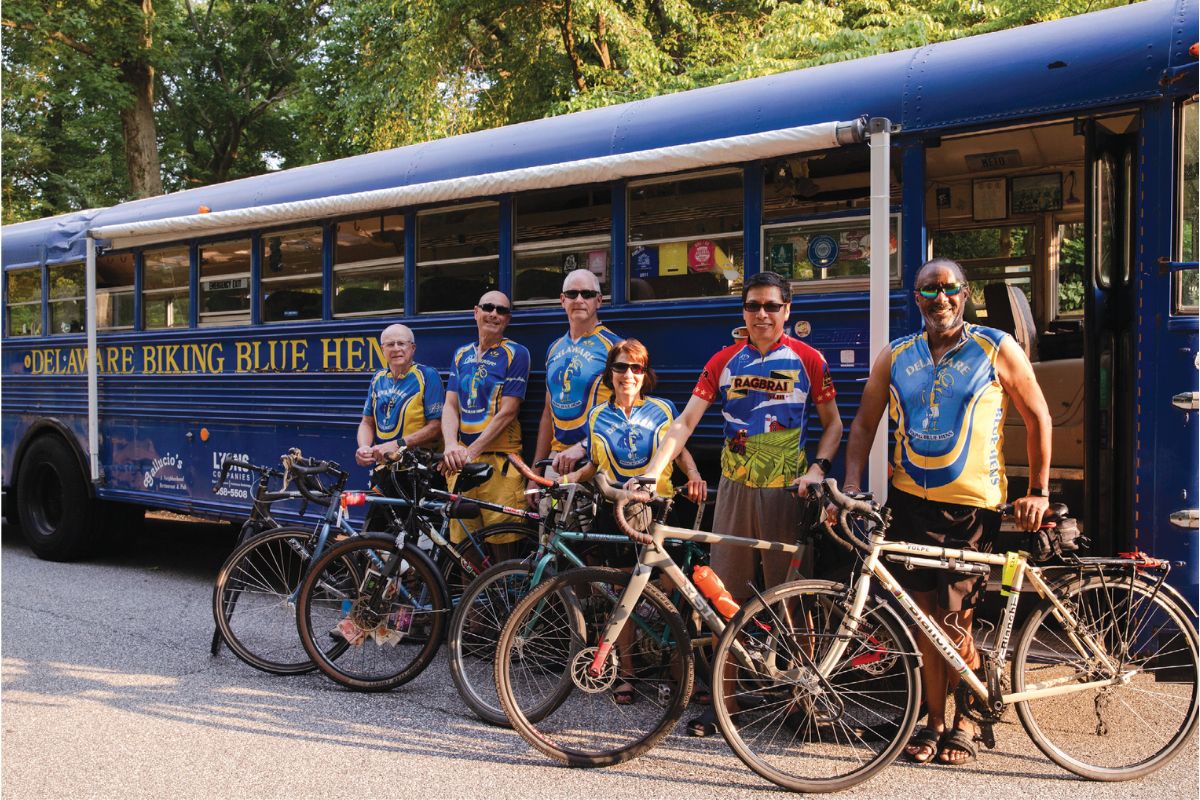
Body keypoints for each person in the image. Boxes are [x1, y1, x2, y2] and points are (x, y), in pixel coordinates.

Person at [842, 257, 1051, 767]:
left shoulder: (996, 346)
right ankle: (934, 721)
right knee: (924, 623)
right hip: (910, 503)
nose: (941, 298)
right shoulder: (896, 355)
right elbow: (864, 423)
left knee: (956, 622)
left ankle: (969, 715)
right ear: (916, 298)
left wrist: (1038, 490)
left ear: (964, 293)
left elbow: (1038, 416)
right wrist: (850, 485)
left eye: (949, 288)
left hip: (971, 508)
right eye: (930, 290)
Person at [637, 271, 843, 735]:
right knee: (722, 598)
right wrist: (653, 470)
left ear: (787, 310)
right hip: (734, 489)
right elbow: (685, 421)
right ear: (743, 311)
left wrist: (818, 469)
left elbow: (833, 424)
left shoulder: (809, 359)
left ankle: (802, 699)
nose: (762, 314)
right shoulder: (724, 360)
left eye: (772, 306)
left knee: (793, 602)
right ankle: (724, 702)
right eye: (753, 306)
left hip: (788, 493)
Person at [558, 338, 706, 705]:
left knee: (675, 594)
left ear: (645, 374)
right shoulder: (596, 415)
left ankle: (680, 672)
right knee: (620, 595)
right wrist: (566, 479)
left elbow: (679, 449)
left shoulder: (663, 409)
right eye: (621, 367)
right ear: (610, 372)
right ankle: (627, 672)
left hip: (659, 510)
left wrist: (694, 474)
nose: (628, 374)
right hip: (616, 511)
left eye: (636, 368)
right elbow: (595, 464)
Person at [439, 291, 532, 558]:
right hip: (462, 464)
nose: (494, 314)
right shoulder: (461, 354)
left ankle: (504, 589)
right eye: (488, 307)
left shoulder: (516, 354)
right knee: (464, 550)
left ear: (508, 319)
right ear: (476, 312)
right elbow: (450, 405)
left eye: (501, 310)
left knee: (504, 550)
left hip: (499, 465)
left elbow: (509, 411)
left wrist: (470, 451)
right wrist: (450, 446)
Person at [528, 269, 622, 489]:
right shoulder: (554, 349)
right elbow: (548, 413)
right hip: (556, 462)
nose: (579, 300)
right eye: (572, 294)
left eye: (587, 294)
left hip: (598, 460)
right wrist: (535, 474)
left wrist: (584, 446)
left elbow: (628, 410)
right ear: (563, 300)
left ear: (599, 301)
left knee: (595, 514)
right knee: (551, 512)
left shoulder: (616, 347)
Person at [355, 323, 444, 467]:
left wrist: (398, 444)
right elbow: (367, 422)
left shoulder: (427, 376)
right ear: (382, 349)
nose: (396, 348)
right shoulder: (378, 378)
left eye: (401, 343)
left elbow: (437, 427)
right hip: (384, 467)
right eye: (390, 344)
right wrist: (364, 447)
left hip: (419, 468)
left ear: (412, 348)